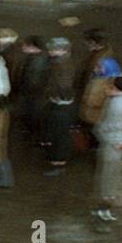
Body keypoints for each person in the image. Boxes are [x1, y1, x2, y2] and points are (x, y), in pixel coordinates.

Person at [93, 78, 122, 222]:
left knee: (109, 178)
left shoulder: (116, 106)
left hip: (112, 144)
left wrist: (118, 141)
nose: (106, 88)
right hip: (116, 143)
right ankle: (104, 208)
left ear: (116, 89)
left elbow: (107, 127)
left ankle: (104, 208)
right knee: (112, 177)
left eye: (110, 86)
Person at [42, 37, 77, 177]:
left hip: (61, 104)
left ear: (63, 50)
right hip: (61, 103)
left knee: (60, 134)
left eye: (54, 49)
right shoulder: (61, 63)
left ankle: (59, 163)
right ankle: (57, 161)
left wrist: (56, 96)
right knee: (59, 133)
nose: (50, 51)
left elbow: (63, 86)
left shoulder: (62, 65)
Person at [16, 36, 49, 143]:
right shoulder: (36, 57)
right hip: (33, 95)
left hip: (34, 95)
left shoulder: (38, 60)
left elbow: (34, 80)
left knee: (34, 116)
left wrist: (25, 91)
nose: (23, 47)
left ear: (32, 46)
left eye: (25, 45)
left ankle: (34, 139)